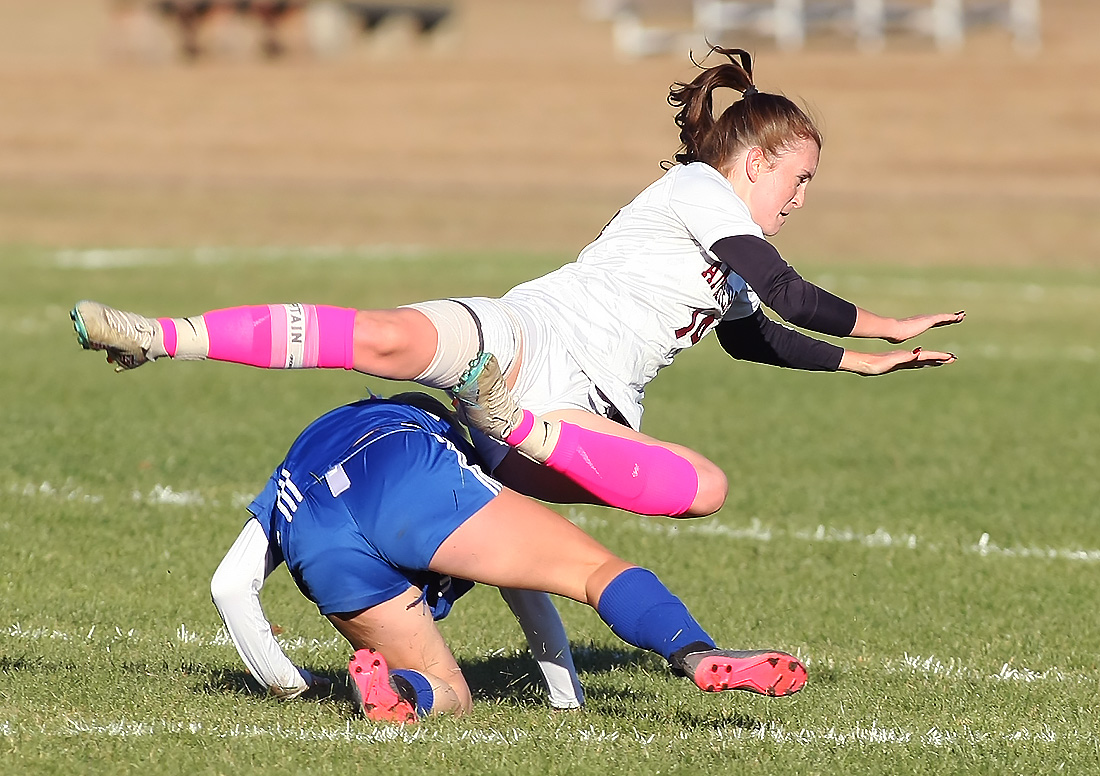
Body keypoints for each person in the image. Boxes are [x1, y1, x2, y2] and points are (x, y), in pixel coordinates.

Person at [71, 47, 964, 521]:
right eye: (798, 179)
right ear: (756, 161)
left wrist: (859, 366)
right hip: (530, 334)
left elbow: (755, 330)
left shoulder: (727, 249)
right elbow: (792, 294)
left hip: (576, 418)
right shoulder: (701, 190)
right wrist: (884, 324)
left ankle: (508, 433)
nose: (802, 198)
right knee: (381, 336)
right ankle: (157, 336)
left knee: (704, 489)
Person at [210, 391, 807, 721]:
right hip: (399, 467)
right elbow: (528, 593)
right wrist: (566, 702)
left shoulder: (289, 474)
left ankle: (403, 695)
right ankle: (696, 653)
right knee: (592, 569)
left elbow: (231, 587)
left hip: (318, 539)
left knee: (452, 692)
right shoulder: (438, 437)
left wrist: (293, 688)